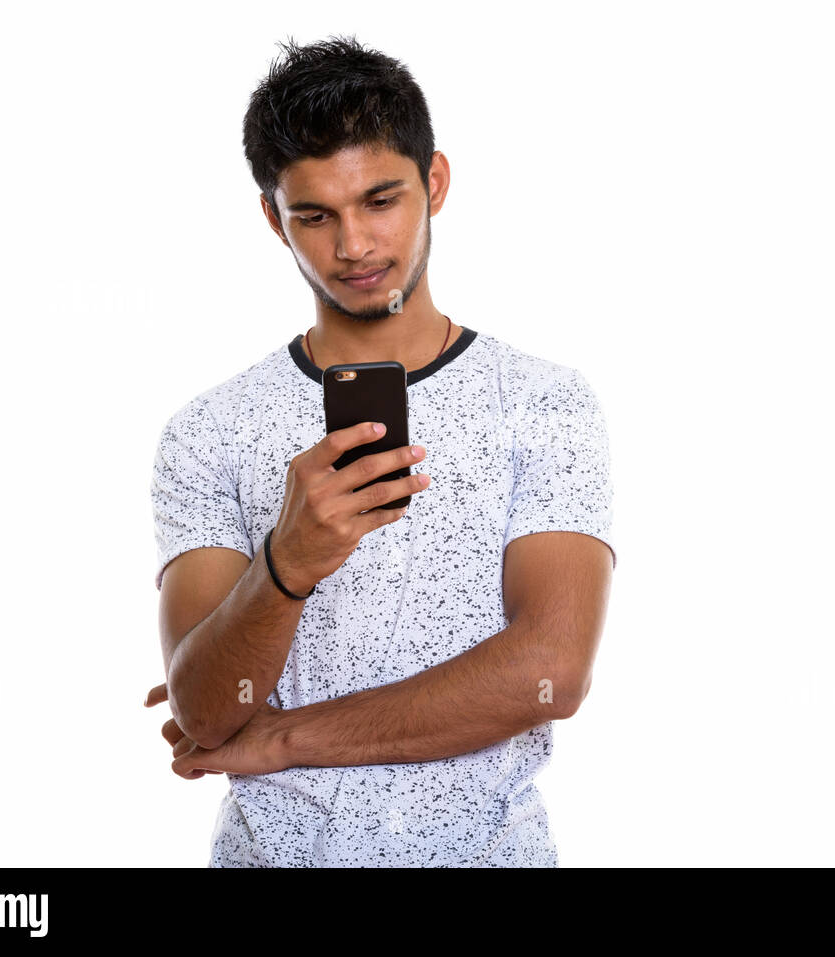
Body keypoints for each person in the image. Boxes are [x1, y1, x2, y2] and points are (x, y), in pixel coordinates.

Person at [144, 34, 616, 867]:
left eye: (381, 200)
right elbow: (209, 715)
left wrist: (286, 737)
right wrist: (286, 564)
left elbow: (551, 669)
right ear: (272, 220)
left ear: (434, 182)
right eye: (315, 215)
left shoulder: (543, 403)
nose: (353, 245)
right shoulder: (209, 430)